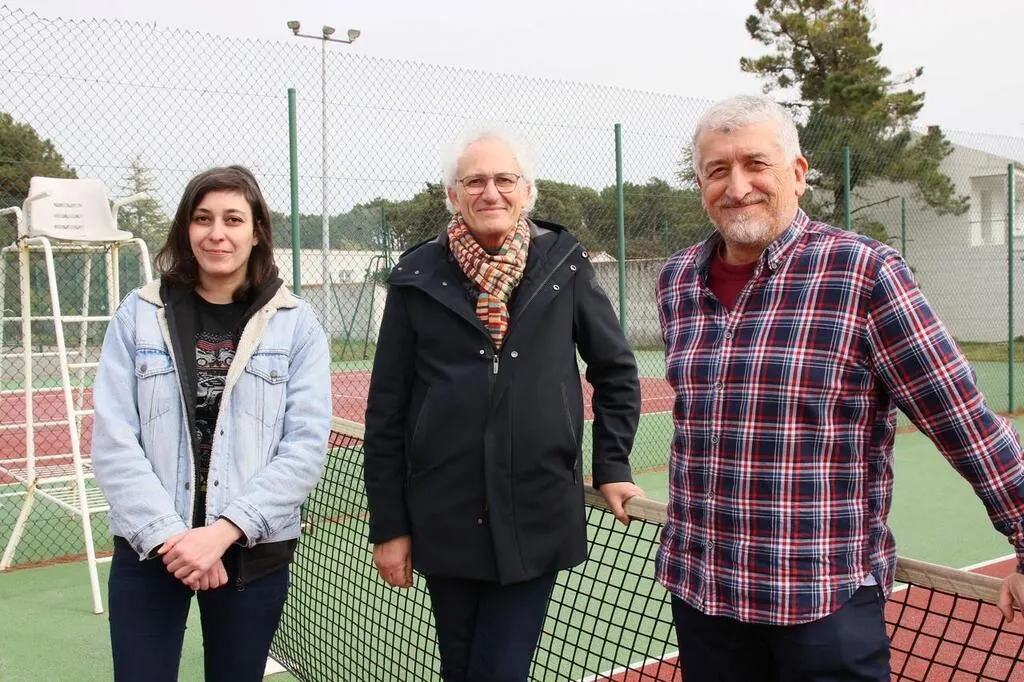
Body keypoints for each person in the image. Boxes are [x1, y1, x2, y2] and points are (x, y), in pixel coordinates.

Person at [655, 94, 1024, 681]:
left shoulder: (865, 272)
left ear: (798, 175)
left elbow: (961, 418)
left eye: (757, 164)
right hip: (705, 593)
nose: (737, 185)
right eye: (717, 170)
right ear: (700, 182)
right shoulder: (677, 280)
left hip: (821, 602)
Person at [363, 128, 643, 681]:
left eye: (504, 179)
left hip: (537, 510)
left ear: (527, 190)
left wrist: (612, 463)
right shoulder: (416, 276)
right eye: (474, 181)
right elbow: (387, 409)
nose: (490, 192)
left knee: (498, 670)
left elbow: (615, 371)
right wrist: (389, 526)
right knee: (461, 667)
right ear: (453, 195)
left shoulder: (565, 265)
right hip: (443, 515)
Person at [92, 165, 332, 682]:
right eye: (202, 218)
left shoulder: (297, 324)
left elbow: (305, 447)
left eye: (232, 219)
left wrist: (221, 534)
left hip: (251, 556)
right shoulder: (137, 314)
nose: (216, 233)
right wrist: (173, 540)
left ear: (256, 230)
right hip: (150, 551)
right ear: (185, 228)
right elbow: (114, 440)